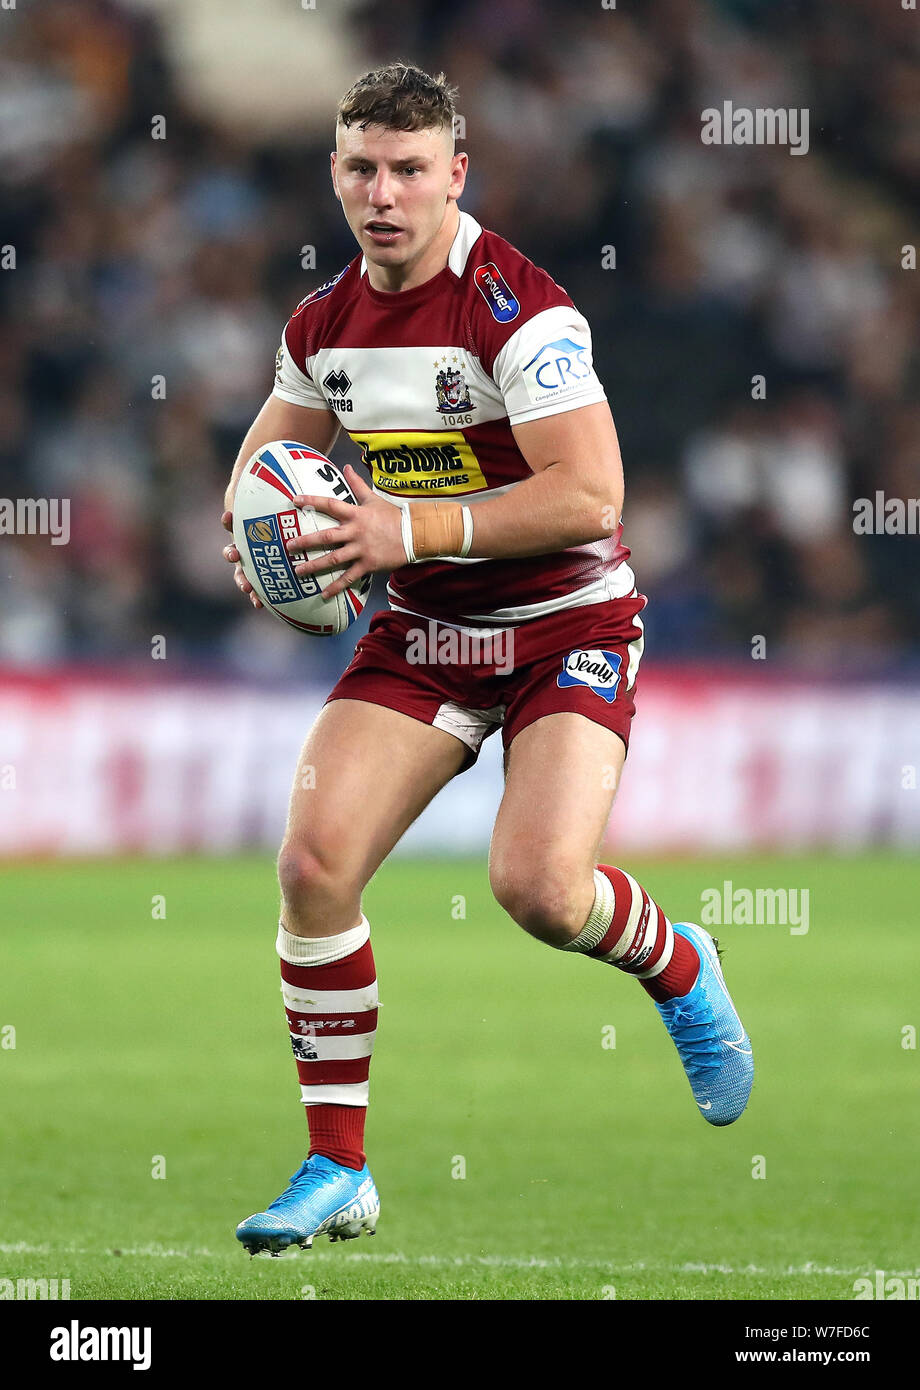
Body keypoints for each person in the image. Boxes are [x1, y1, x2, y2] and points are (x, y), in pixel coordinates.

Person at [221, 62, 753, 1256]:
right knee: (312, 863)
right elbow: (265, 466)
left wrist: (395, 530)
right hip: (425, 635)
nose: (383, 193)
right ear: (335, 175)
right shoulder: (320, 327)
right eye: (361, 167)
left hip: (566, 622)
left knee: (539, 890)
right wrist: (261, 543)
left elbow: (590, 493)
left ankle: (677, 964)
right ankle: (336, 1167)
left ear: (454, 175)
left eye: (410, 170)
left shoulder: (520, 312)